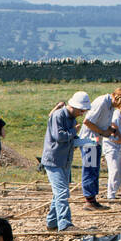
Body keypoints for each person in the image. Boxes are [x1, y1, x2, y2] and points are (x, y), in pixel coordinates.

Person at [41, 91, 91, 232]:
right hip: (54, 160)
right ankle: (65, 224)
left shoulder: (72, 120)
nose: (82, 114)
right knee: (62, 192)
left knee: (60, 193)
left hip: (64, 159)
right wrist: (74, 132)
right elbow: (60, 136)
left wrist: (80, 141)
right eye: (81, 110)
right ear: (74, 107)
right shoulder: (58, 116)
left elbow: (69, 138)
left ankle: (51, 222)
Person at [78, 88, 121, 209]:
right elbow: (87, 121)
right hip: (89, 140)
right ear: (115, 97)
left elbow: (101, 123)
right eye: (118, 103)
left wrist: (110, 130)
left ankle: (92, 199)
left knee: (94, 170)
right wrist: (103, 132)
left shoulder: (110, 106)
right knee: (90, 170)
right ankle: (89, 200)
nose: (118, 107)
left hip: (96, 140)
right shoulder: (102, 102)